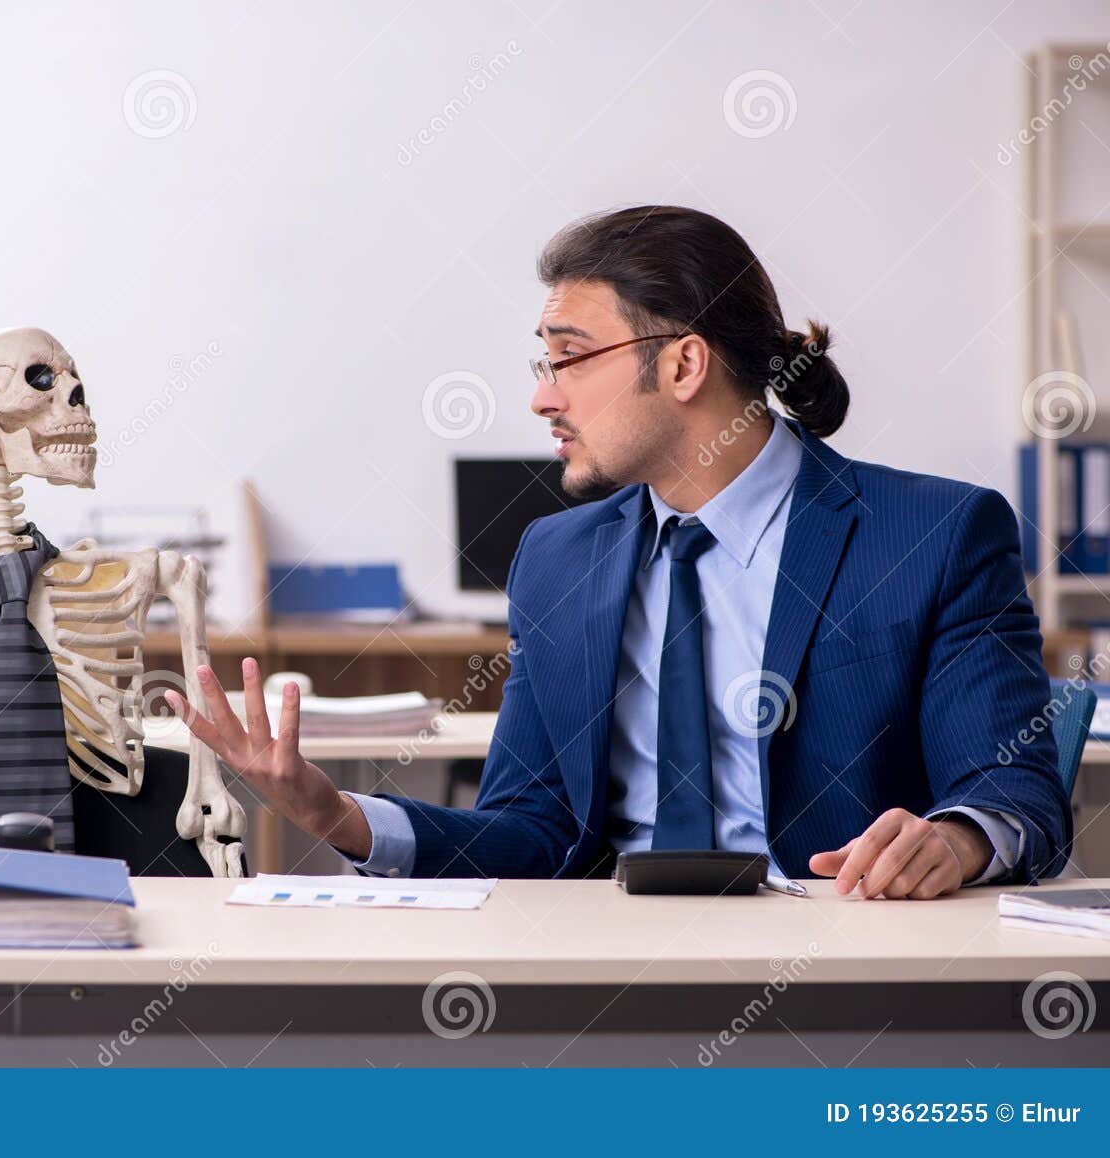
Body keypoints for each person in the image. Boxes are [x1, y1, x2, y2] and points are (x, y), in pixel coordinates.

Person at [169, 205, 1071, 899]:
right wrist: (337, 815)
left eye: (569, 358)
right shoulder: (558, 558)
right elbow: (532, 829)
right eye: (543, 363)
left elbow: (1015, 792)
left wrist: (955, 840)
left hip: (845, 962)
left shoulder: (932, 534)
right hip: (610, 963)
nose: (542, 398)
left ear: (683, 365)